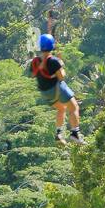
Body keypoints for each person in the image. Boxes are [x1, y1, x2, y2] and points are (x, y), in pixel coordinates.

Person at [28, 10, 83, 144]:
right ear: (51, 46)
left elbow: (31, 75)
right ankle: (75, 133)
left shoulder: (35, 61)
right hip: (56, 89)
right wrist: (61, 65)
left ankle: (59, 134)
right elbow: (61, 77)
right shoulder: (53, 61)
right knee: (74, 107)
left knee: (61, 108)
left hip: (45, 93)